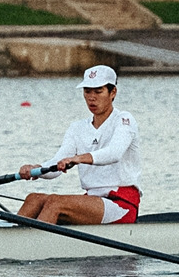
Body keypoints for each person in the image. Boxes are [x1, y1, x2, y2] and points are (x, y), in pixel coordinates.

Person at [17, 65, 142, 225]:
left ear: (113, 93)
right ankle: (12, 239)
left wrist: (78, 158)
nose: (91, 97)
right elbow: (57, 164)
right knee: (33, 199)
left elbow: (114, 153)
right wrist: (36, 169)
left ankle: (34, 240)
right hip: (92, 200)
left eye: (98, 91)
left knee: (55, 202)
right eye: (87, 91)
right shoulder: (77, 128)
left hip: (121, 203)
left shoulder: (124, 120)